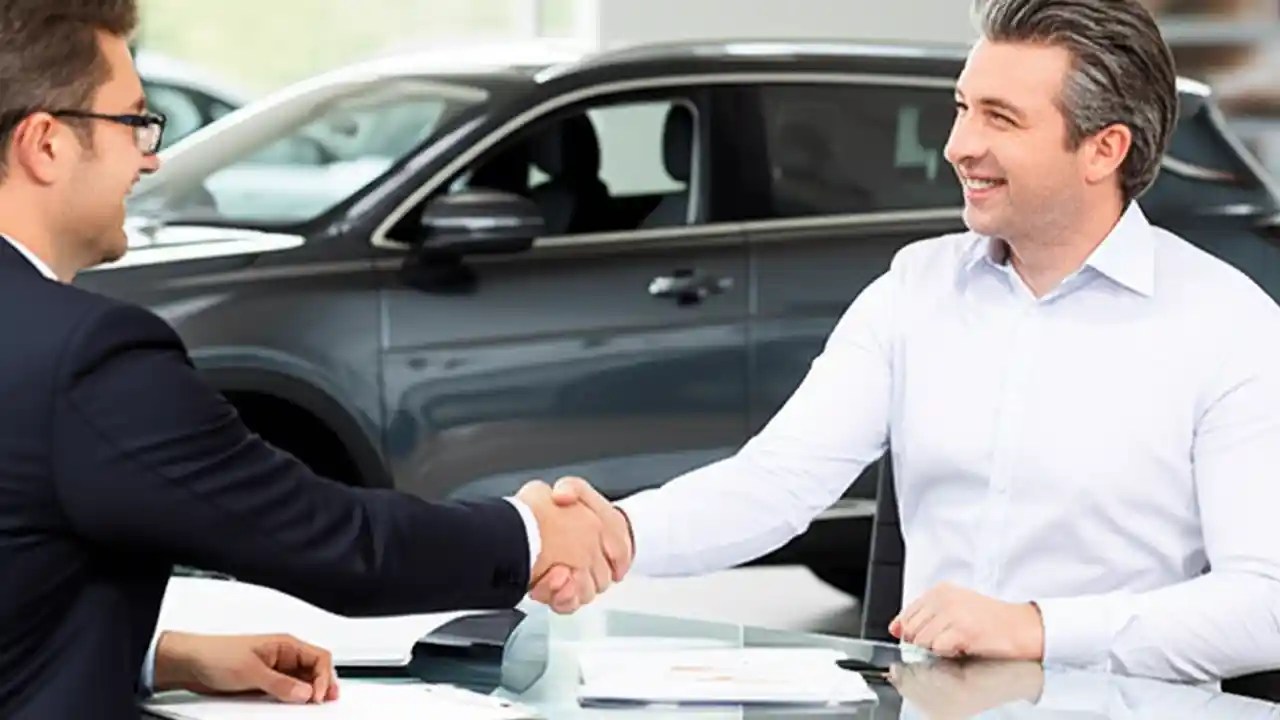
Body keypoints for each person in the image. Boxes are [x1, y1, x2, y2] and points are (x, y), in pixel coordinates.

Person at [535, 0, 1280, 684]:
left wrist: (1039, 629)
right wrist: (621, 533)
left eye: (1000, 118)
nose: (958, 146)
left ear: (1103, 149)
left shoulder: (1226, 327)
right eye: (961, 108)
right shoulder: (913, 292)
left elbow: (1266, 607)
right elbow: (778, 482)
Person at [0, 3, 621, 717]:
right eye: (134, 122)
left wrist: (156, 652)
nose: (152, 156)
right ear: (44, 144)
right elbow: (332, 540)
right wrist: (535, 532)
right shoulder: (86, 357)